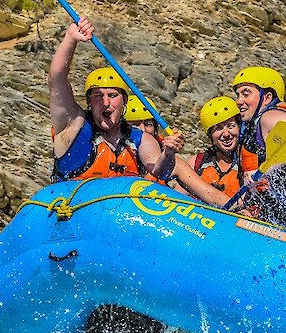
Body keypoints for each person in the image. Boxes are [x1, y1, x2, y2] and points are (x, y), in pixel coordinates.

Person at [48, 17, 231, 208]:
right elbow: (56, 78)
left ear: (124, 102)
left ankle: (232, 209)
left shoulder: (140, 140)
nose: (105, 102)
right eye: (98, 96)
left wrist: (168, 153)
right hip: (70, 211)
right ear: (89, 102)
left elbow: (160, 172)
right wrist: (71, 38)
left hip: (117, 217)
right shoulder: (73, 124)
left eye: (113, 95)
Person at [232, 66, 286, 224]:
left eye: (246, 94)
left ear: (267, 97)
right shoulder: (254, 126)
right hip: (284, 214)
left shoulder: (270, 116)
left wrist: (263, 172)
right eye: (238, 95)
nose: (239, 101)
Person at [186, 96, 241, 198]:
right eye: (218, 129)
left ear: (239, 128)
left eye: (231, 126)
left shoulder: (250, 164)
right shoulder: (195, 163)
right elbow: (176, 197)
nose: (226, 134)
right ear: (210, 135)